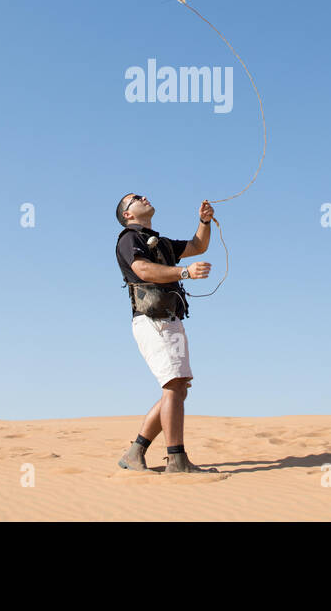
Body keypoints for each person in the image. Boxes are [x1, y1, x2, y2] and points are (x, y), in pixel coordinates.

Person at [113, 191, 218, 474]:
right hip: (152, 320)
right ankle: (177, 461)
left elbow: (198, 246)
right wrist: (184, 273)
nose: (144, 197)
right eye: (136, 198)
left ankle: (135, 453)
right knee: (173, 386)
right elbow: (143, 270)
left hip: (170, 320)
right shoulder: (129, 239)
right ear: (128, 214)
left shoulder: (161, 242)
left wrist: (204, 221)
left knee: (178, 388)